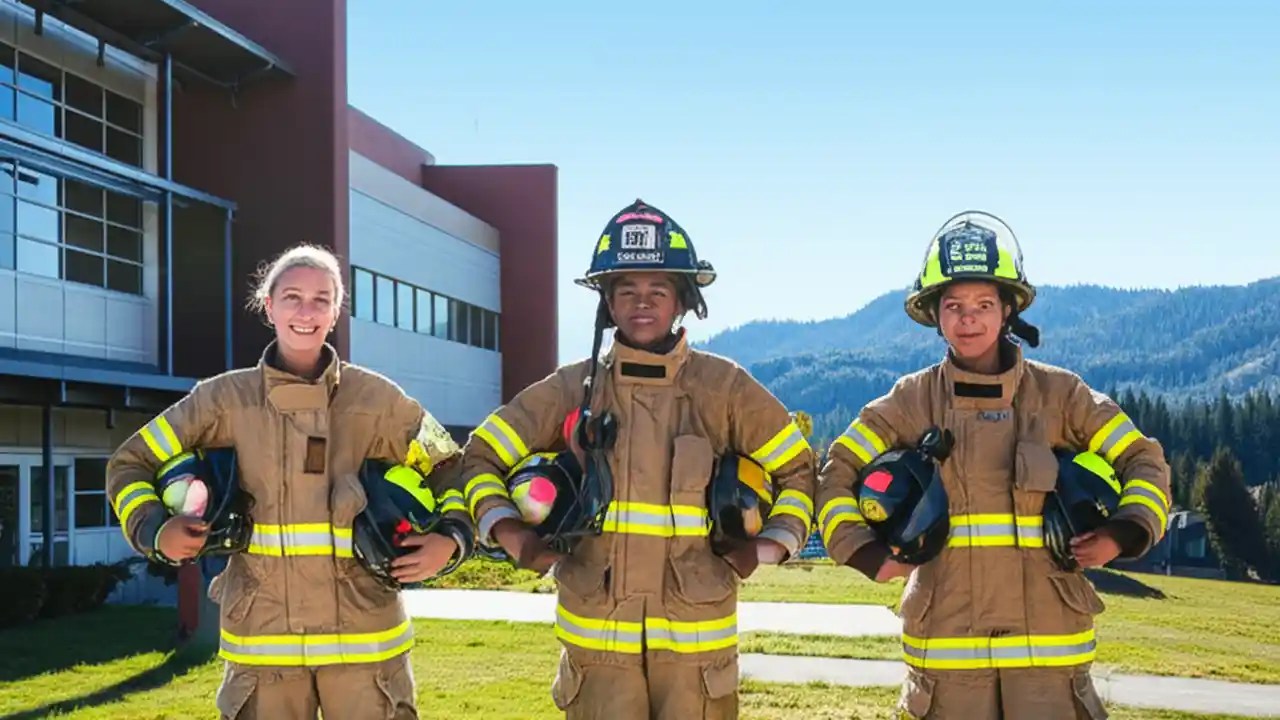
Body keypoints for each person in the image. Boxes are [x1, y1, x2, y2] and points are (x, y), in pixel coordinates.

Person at [461, 199, 817, 719]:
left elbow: (799, 471)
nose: (642, 303)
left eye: (658, 291)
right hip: (598, 647)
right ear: (607, 304)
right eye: (626, 290)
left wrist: (770, 546)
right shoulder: (571, 390)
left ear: (682, 302)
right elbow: (481, 456)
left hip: (695, 652)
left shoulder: (726, 391)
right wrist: (511, 534)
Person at [815, 211, 1172, 720]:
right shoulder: (910, 402)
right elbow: (838, 470)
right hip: (947, 653)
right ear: (934, 314)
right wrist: (867, 553)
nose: (969, 319)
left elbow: (1144, 459)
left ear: (1008, 309)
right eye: (954, 306)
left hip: (1049, 656)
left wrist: (1125, 530)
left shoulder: (1062, 396)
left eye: (984, 304)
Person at [105, 244, 472, 720]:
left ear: (337, 310)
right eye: (293, 297)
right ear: (268, 305)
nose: (307, 311)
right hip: (265, 647)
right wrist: (155, 528)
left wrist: (452, 538)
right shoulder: (220, 401)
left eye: (322, 299)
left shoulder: (379, 400)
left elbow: (452, 468)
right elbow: (129, 463)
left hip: (366, 646)